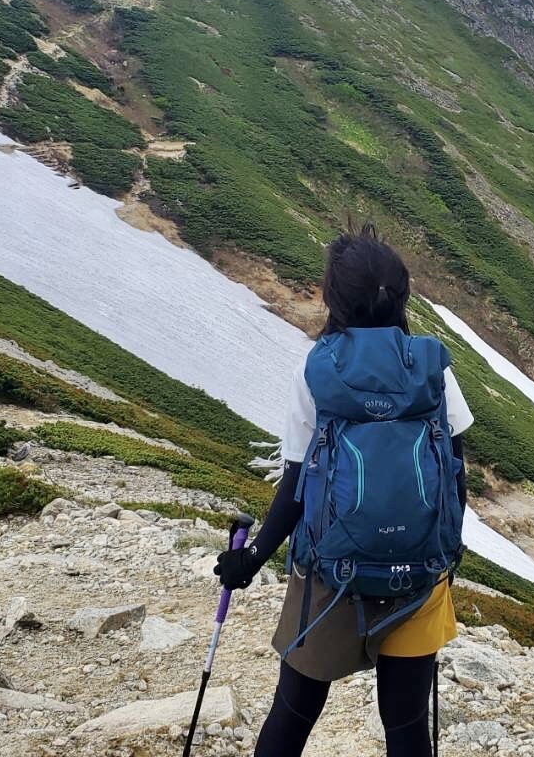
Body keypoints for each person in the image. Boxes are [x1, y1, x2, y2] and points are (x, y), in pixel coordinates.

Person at [215, 225, 473, 757]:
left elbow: (295, 484)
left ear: (334, 299)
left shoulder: (316, 372)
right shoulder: (432, 369)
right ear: (401, 295)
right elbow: (455, 474)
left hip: (331, 575)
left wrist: (254, 557)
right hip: (419, 578)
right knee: (406, 729)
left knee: (293, 713)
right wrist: (442, 552)